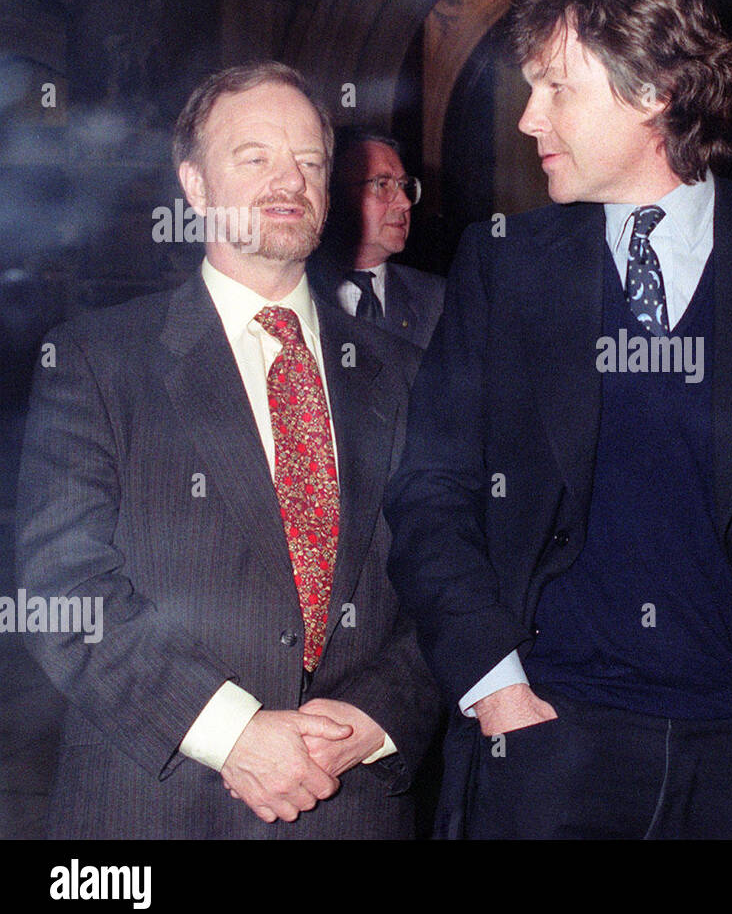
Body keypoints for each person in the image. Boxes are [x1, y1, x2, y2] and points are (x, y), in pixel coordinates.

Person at [385, 0, 732, 839]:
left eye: (557, 89)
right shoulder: (503, 266)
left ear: (652, 91)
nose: (528, 120)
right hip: (547, 749)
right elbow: (430, 493)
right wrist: (496, 687)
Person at [16, 61, 438, 838]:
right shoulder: (96, 359)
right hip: (153, 807)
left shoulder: (405, 374)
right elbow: (62, 587)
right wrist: (232, 732)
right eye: (255, 158)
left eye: (311, 161)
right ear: (196, 185)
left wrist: (370, 722)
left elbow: (444, 585)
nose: (291, 180)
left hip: (353, 805)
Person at [311, 129, 445, 350]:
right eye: (383, 185)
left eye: (405, 186)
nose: (405, 203)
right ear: (332, 195)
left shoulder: (438, 300)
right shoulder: (297, 290)